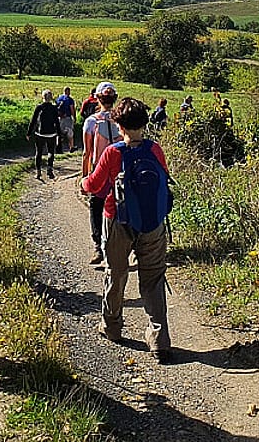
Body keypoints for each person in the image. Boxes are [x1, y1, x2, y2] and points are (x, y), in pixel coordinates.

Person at [81, 96, 173, 363]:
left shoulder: (114, 152)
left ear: (118, 123)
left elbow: (96, 186)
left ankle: (112, 327)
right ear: (144, 123)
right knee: (153, 278)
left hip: (118, 220)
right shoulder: (155, 150)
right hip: (152, 222)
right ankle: (160, 338)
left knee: (116, 273)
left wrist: (83, 183)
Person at [80, 81, 121, 266]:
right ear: (115, 99)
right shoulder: (122, 119)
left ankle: (98, 246)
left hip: (99, 172)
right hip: (120, 173)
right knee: (119, 209)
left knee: (96, 208)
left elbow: (87, 153)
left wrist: (85, 177)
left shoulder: (91, 122)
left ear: (96, 98)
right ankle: (119, 246)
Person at [27, 88, 60, 180]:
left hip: (40, 134)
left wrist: (29, 133)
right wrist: (59, 134)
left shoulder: (39, 107)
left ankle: (38, 172)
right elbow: (57, 122)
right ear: (51, 98)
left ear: (42, 97)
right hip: (51, 134)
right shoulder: (54, 108)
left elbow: (33, 121)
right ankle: (49, 168)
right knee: (51, 152)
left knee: (39, 153)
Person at [55, 86, 76, 152]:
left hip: (60, 118)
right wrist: (74, 117)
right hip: (67, 118)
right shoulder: (70, 100)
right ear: (68, 91)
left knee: (59, 133)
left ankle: (58, 147)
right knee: (70, 133)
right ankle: (71, 147)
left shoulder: (59, 98)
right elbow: (72, 109)